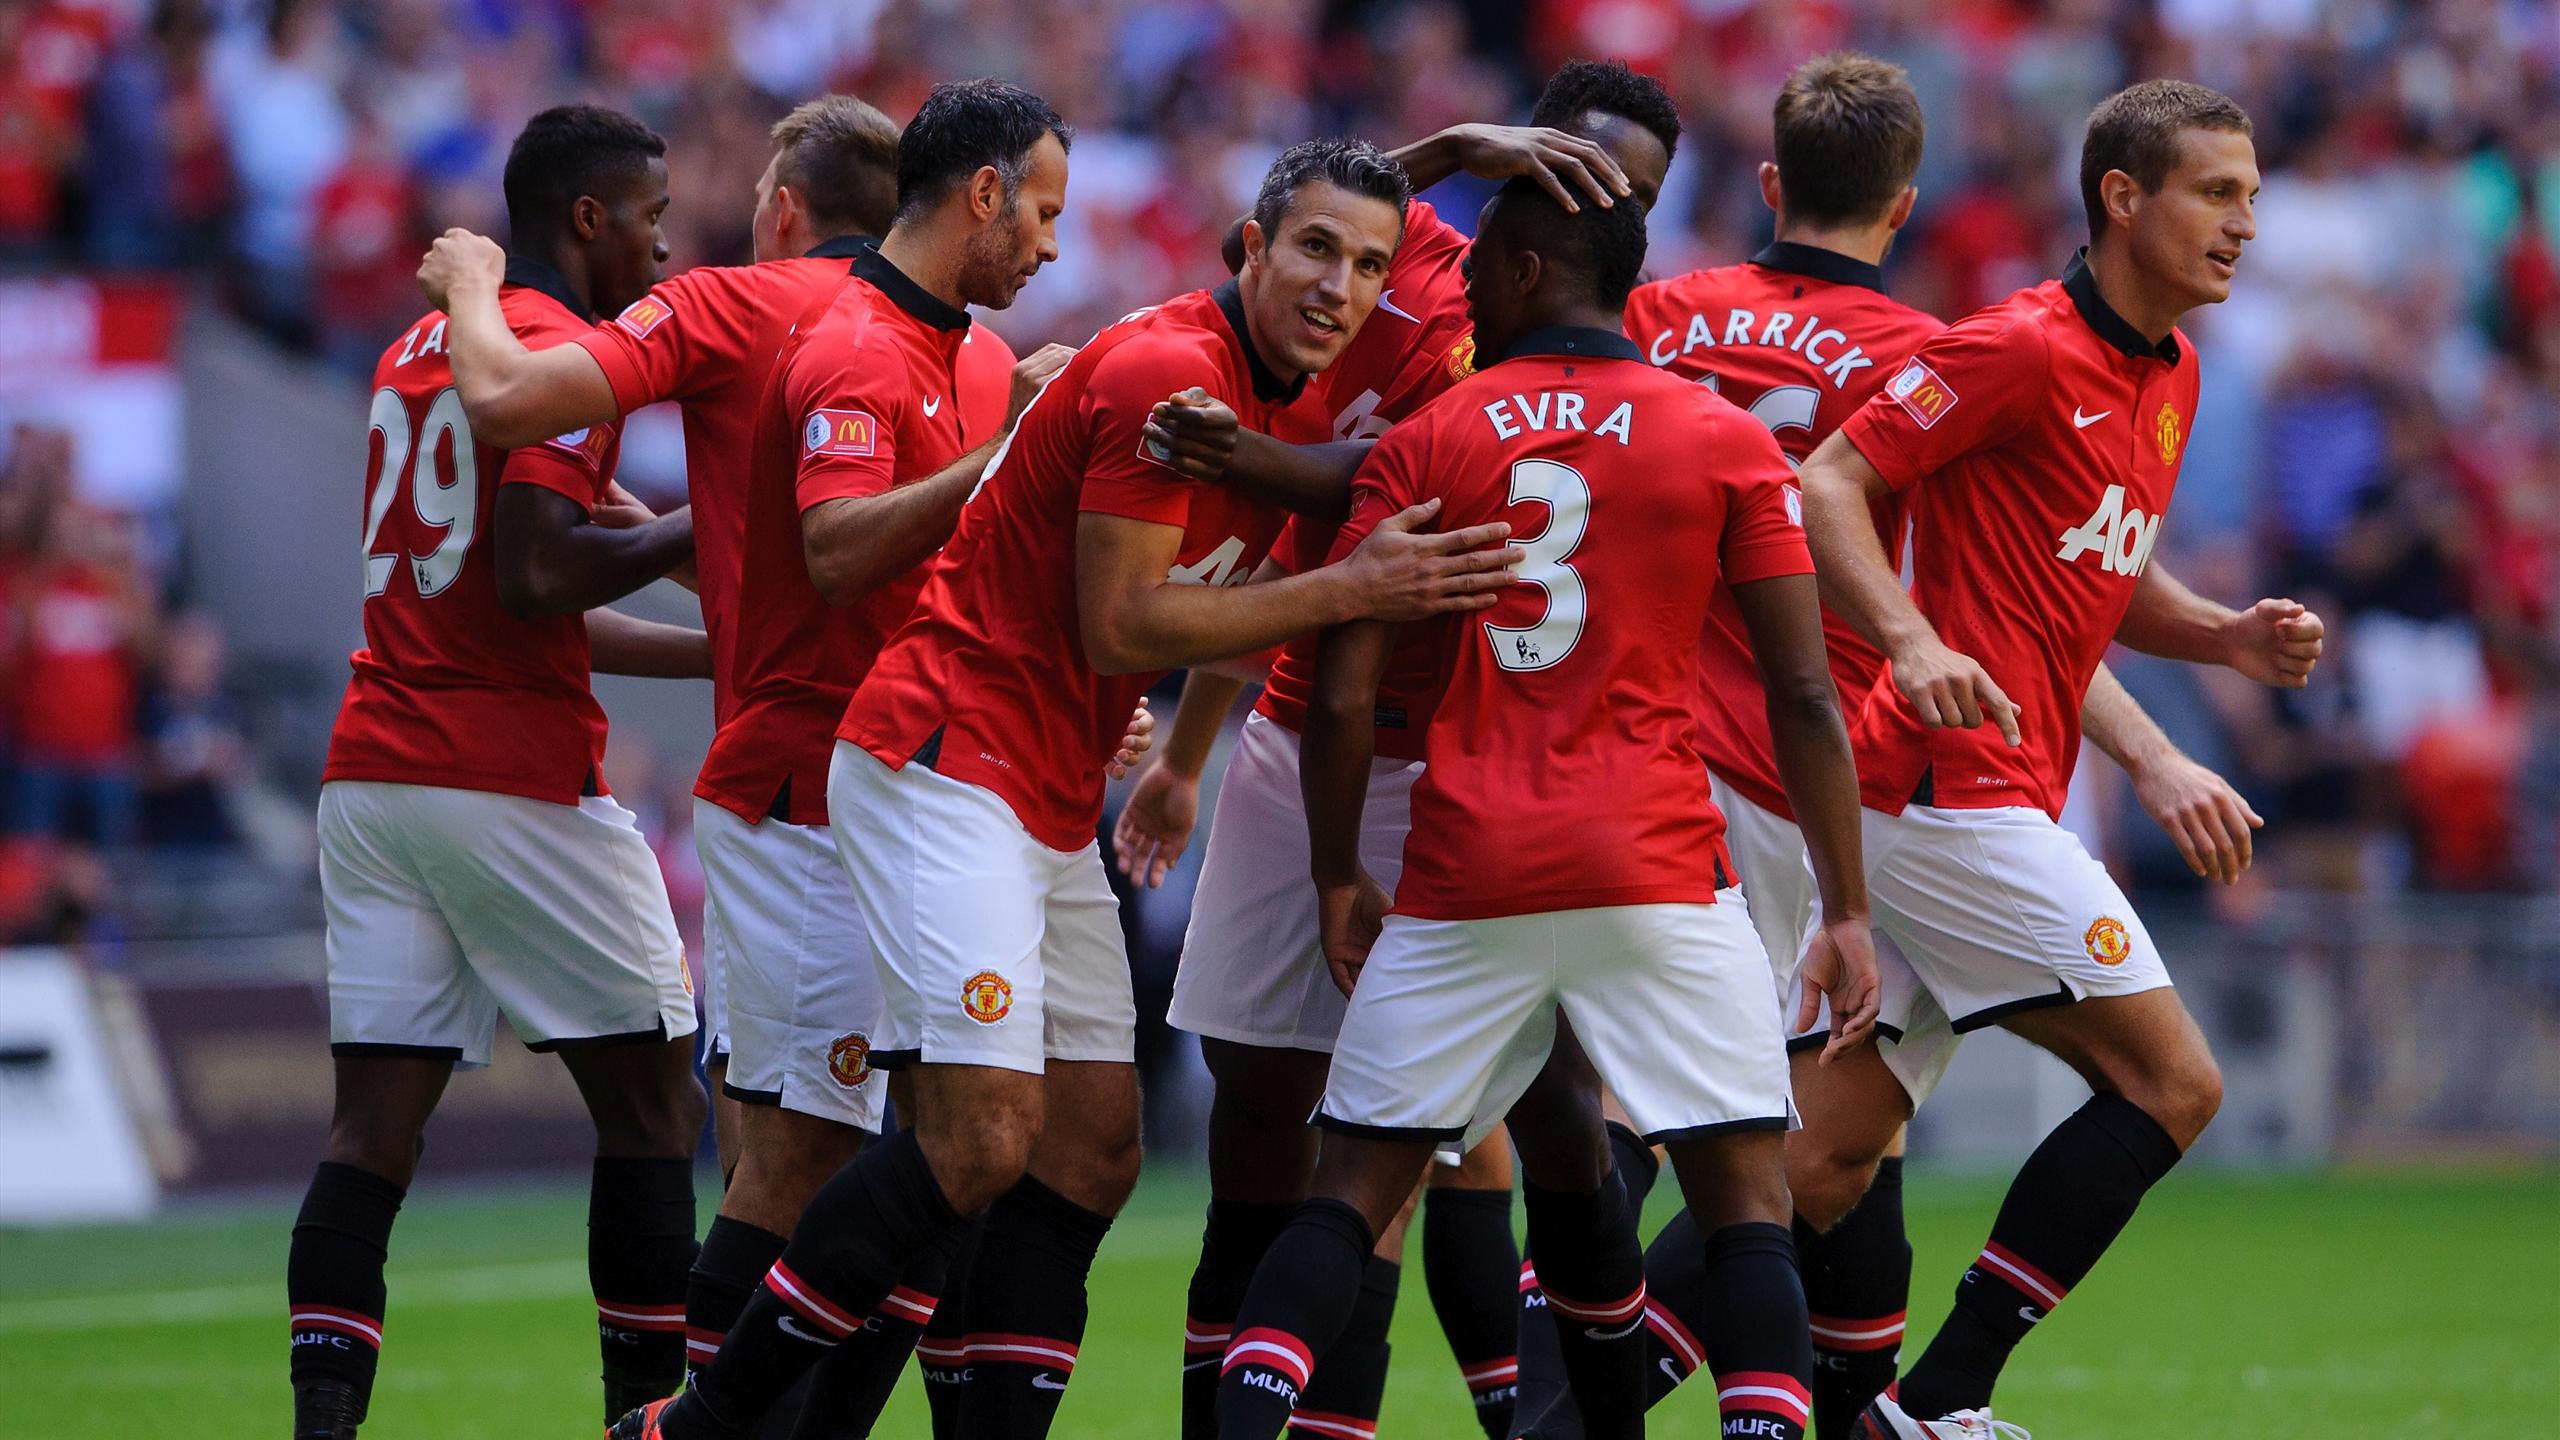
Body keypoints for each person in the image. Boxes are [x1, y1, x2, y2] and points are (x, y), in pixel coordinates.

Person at [616, 137, 1514, 1440]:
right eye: (1315, 248)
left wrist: (1189, 758)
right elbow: (1121, 628)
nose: (1341, 283)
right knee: (968, 1142)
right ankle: (692, 1427)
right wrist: (1348, 590)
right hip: (944, 762)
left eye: (1370, 265)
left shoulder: (1286, 410)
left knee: (1089, 1145)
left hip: (1037, 792)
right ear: (1250, 250)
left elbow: (1196, 620)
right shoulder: (1169, 371)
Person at [420, 85, 1085, 1439]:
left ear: (784, 212)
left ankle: (697, 1425)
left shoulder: (751, 306)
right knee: (939, 1148)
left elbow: (498, 400)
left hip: (807, 780)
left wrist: (470, 281)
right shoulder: (962, 355)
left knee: (810, 1153)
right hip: (933, 787)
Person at [1213, 172, 1879, 1440]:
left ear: (1523, 271)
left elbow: (1343, 698)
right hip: (1660, 870)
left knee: (1347, 1196)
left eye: (1477, 272)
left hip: (1469, 871)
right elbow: (1802, 691)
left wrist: (1337, 876)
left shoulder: (1429, 439)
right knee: (1744, 1203)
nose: (1460, 291)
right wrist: (1844, 908)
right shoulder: (1722, 436)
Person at [1116, 62, 1681, 1440]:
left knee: (1458, 1138)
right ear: (1515, 169)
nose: (1598, 202)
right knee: (1264, 1110)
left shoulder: (1617, 348)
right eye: (1572, 168)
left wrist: (1243, 456)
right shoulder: (1410, 261)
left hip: (1471, 772)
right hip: (1304, 734)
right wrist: (1193, 748)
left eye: (1635, 192)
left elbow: (1380, 492)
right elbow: (1286, 237)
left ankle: (1535, 1416)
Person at [1792, 80, 2323, 1439]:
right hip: (1944, 790)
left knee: (1818, 1162)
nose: (2245, 224)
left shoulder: (2171, 371)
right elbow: (1832, 480)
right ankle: (1936, 1404)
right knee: (2173, 1083)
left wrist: (2224, 638)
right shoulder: (2018, 346)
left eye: (2253, 197)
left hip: (1967, 795)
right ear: (2122, 198)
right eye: (2218, 192)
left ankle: (1574, 1396)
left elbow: (2097, 575)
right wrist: (1907, 639)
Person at [291, 104, 711, 1440]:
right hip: (506, 772)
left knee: (369, 1138)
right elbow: (540, 576)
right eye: (649, 214)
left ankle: (319, 1429)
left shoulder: (416, 345)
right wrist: (721, 522)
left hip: (375, 774)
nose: (661, 244)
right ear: (587, 217)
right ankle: (645, 1420)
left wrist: (713, 652)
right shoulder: (563, 353)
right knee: (652, 1100)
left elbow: (504, 590)